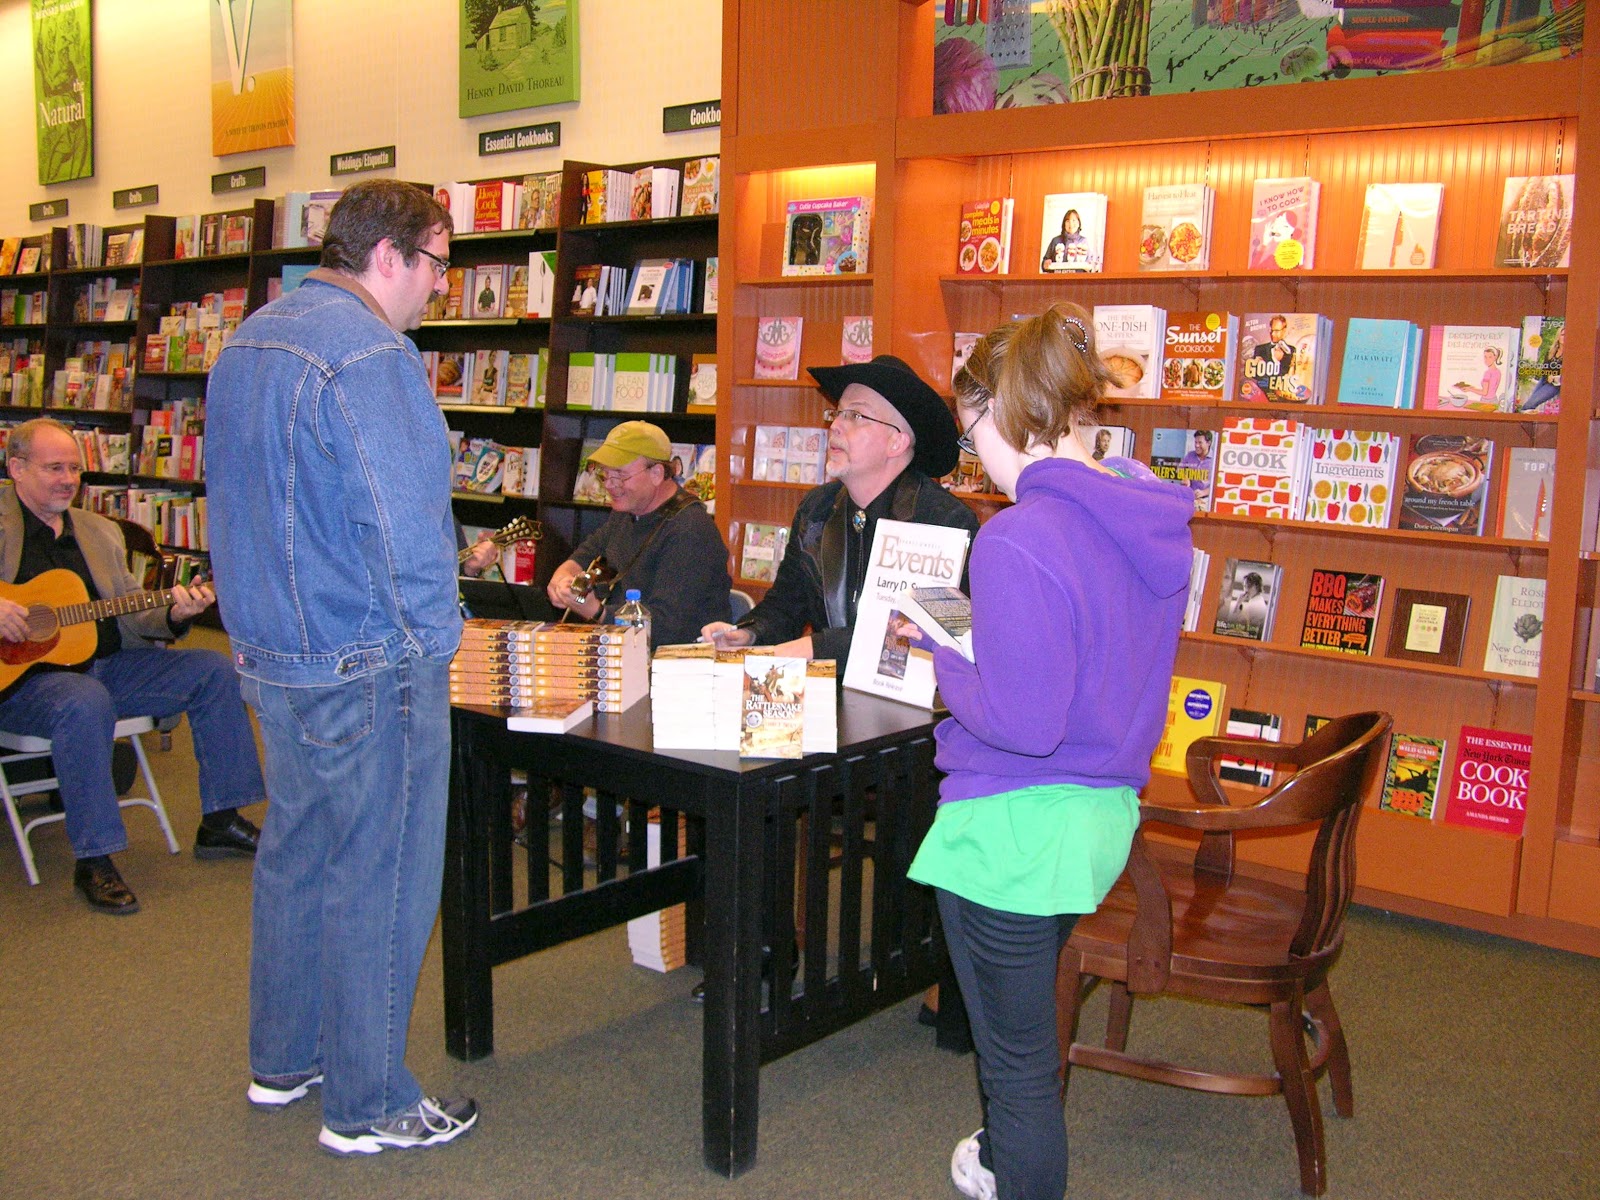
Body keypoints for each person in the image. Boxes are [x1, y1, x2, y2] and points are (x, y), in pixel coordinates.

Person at [206, 179, 478, 1156]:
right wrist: (435, 639)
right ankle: (366, 1100)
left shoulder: (249, 341)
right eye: (439, 265)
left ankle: (285, 1060)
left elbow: (223, 502)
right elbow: (405, 521)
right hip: (371, 659)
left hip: (273, 653)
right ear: (391, 257)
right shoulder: (373, 353)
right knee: (386, 869)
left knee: (297, 852)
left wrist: (247, 626)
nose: (442, 289)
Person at [906, 304, 1193, 1200]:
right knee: (1028, 1045)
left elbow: (1024, 725)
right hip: (1097, 821)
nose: (969, 451)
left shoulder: (1018, 537)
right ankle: (1003, 1159)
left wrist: (946, 659)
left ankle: (1016, 1167)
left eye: (970, 426)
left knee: (1020, 1073)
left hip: (1014, 833)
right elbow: (1089, 668)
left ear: (1009, 413)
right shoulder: (1140, 514)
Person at [0, 418, 264, 914]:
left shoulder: (100, 531)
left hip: (105, 667)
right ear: (16, 468)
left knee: (214, 669)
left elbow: (132, 612)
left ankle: (220, 819)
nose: (68, 479)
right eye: (54, 467)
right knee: (84, 700)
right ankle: (95, 858)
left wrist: (172, 613)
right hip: (22, 689)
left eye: (75, 469)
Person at [701, 354, 978, 660]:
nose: (835, 426)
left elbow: (917, 629)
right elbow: (786, 603)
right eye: (837, 413)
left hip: (906, 705)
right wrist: (750, 634)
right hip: (825, 694)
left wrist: (816, 648)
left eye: (856, 416)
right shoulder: (817, 509)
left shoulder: (943, 521)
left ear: (896, 443)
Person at [546, 420, 729, 647]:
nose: (610, 485)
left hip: (678, 664)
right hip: (627, 652)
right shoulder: (627, 511)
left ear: (657, 473)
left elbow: (665, 629)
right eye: (605, 474)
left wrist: (598, 611)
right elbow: (589, 550)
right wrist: (562, 576)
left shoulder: (690, 531)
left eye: (620, 475)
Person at [1039, 208, 1085, 272]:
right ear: (1064, 224)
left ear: (1078, 223)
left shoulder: (1083, 241)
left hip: (1078, 280)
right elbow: (1044, 263)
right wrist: (1046, 263)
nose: (1071, 224)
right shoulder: (1056, 241)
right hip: (1057, 279)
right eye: (1068, 221)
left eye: (1074, 220)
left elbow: (1091, 265)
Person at [1177, 428, 1214, 507]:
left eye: (1200, 443)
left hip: (1206, 499)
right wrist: (1185, 477)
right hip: (1188, 496)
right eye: (1195, 442)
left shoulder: (1215, 459)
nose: (1197, 445)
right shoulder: (1190, 455)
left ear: (1209, 443)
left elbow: (1217, 485)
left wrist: (1204, 492)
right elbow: (1180, 468)